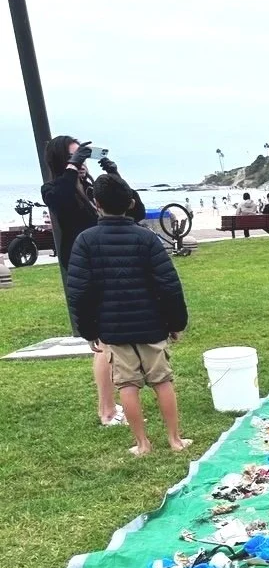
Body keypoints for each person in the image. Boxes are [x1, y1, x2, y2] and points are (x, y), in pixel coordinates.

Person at [65, 172, 189, 456]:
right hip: (152, 326)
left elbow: (79, 292)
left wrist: (88, 330)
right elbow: (169, 284)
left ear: (96, 204)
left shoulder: (85, 241)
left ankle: (142, 444)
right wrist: (176, 322)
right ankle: (175, 440)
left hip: (113, 329)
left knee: (127, 385)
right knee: (162, 381)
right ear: (131, 203)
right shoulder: (146, 238)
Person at [41, 134, 145, 427]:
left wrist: (115, 175)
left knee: (113, 338)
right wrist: (72, 169)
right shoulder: (55, 189)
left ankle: (112, 407)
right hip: (85, 267)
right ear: (62, 160)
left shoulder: (90, 188)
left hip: (109, 264)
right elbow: (59, 199)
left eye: (83, 157)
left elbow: (133, 210)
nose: (82, 162)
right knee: (104, 340)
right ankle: (108, 410)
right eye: (75, 156)